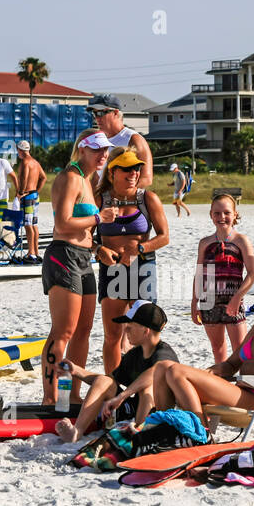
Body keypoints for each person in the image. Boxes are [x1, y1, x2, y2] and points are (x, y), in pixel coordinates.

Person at [152, 278, 254, 426]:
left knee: (176, 372)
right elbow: (232, 364)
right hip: (240, 391)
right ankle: (165, 429)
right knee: (162, 367)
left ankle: (200, 434)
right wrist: (216, 370)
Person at [41, 132, 117, 403]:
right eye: (97, 150)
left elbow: (83, 231)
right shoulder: (70, 177)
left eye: (106, 150)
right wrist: (99, 217)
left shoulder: (88, 179)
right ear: (82, 150)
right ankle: (51, 398)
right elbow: (62, 225)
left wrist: (97, 249)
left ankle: (70, 395)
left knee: (83, 332)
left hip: (85, 258)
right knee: (63, 332)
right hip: (63, 256)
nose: (103, 155)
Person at [55, 300, 177, 443]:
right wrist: (76, 370)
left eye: (130, 327)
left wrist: (124, 395)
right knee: (105, 381)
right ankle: (77, 431)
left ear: (145, 331)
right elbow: (108, 382)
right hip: (131, 411)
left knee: (148, 387)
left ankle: (139, 433)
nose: (125, 331)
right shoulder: (135, 354)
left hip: (158, 416)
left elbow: (155, 374)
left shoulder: (163, 353)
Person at [95, 147, 169, 374]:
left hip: (143, 267)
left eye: (137, 168)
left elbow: (164, 236)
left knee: (147, 333)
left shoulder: (148, 198)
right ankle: (112, 384)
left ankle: (146, 385)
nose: (133, 173)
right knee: (113, 335)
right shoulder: (100, 199)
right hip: (112, 270)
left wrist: (140, 248)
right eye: (126, 169)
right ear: (112, 172)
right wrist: (99, 250)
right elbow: (84, 236)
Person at [193, 193, 254, 363]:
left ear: (235, 214)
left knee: (240, 352)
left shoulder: (241, 241)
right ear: (211, 215)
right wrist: (194, 303)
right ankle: (222, 386)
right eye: (217, 213)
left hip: (233, 301)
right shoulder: (205, 243)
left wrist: (237, 298)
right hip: (208, 302)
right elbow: (199, 274)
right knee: (217, 349)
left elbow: (252, 274)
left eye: (227, 212)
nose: (222, 217)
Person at [82, 93, 153, 188]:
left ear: (115, 113)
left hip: (121, 201)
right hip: (101, 201)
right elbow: (96, 178)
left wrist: (117, 196)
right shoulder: (100, 140)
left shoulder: (133, 139)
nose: (97, 118)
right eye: (94, 113)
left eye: (101, 113)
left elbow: (146, 179)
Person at [14, 141, 47, 262]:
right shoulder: (35, 162)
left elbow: (23, 178)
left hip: (27, 196)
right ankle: (36, 251)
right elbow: (43, 177)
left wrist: (21, 193)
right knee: (33, 224)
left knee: (28, 225)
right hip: (34, 195)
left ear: (20, 150)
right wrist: (36, 190)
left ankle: (31, 252)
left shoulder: (25, 162)